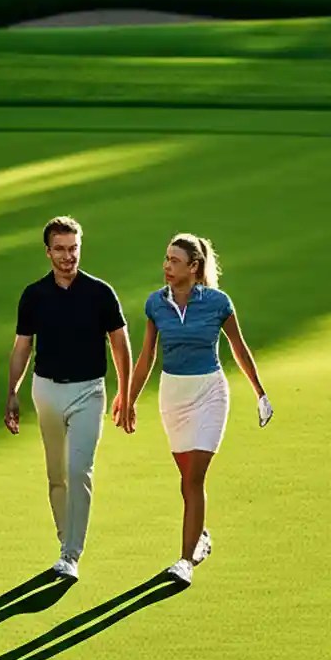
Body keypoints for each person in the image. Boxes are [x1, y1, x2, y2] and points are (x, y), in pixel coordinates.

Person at [128, 233, 272, 585]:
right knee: (186, 478)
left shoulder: (219, 302)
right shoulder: (155, 304)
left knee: (194, 478)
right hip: (172, 396)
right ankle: (200, 536)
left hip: (210, 394)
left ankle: (184, 562)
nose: (166, 266)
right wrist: (129, 400)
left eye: (174, 261)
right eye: (165, 259)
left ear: (194, 267)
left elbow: (238, 347)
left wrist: (260, 393)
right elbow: (147, 356)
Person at [5, 216, 134, 582]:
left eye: (73, 248)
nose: (67, 256)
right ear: (48, 252)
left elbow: (120, 344)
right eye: (60, 249)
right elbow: (21, 348)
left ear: (80, 248)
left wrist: (125, 392)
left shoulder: (100, 293)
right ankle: (66, 539)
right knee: (56, 475)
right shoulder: (34, 296)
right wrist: (12, 392)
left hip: (89, 391)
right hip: (45, 390)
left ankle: (71, 553)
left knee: (79, 470)